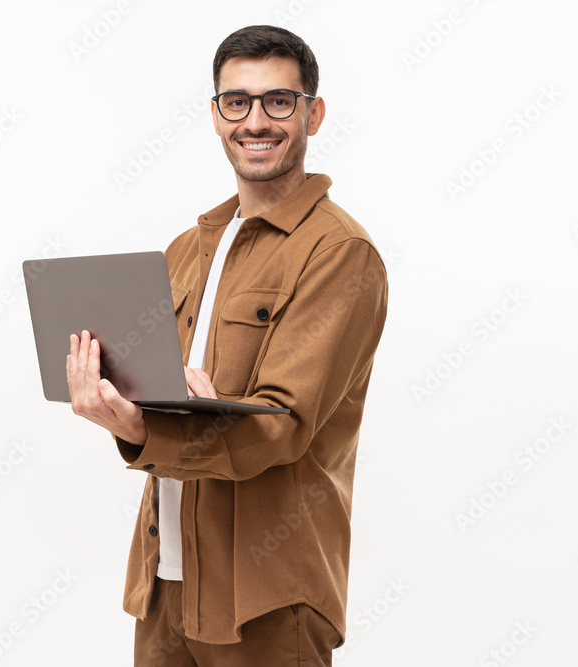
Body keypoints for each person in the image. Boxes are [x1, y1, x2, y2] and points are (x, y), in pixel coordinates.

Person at [66, 25, 388, 666]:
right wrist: (122, 415)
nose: (256, 120)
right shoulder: (187, 251)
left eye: (279, 101)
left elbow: (281, 425)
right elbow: (158, 405)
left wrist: (152, 427)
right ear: (216, 116)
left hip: (265, 599)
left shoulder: (339, 254)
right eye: (236, 102)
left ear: (313, 114)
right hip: (165, 589)